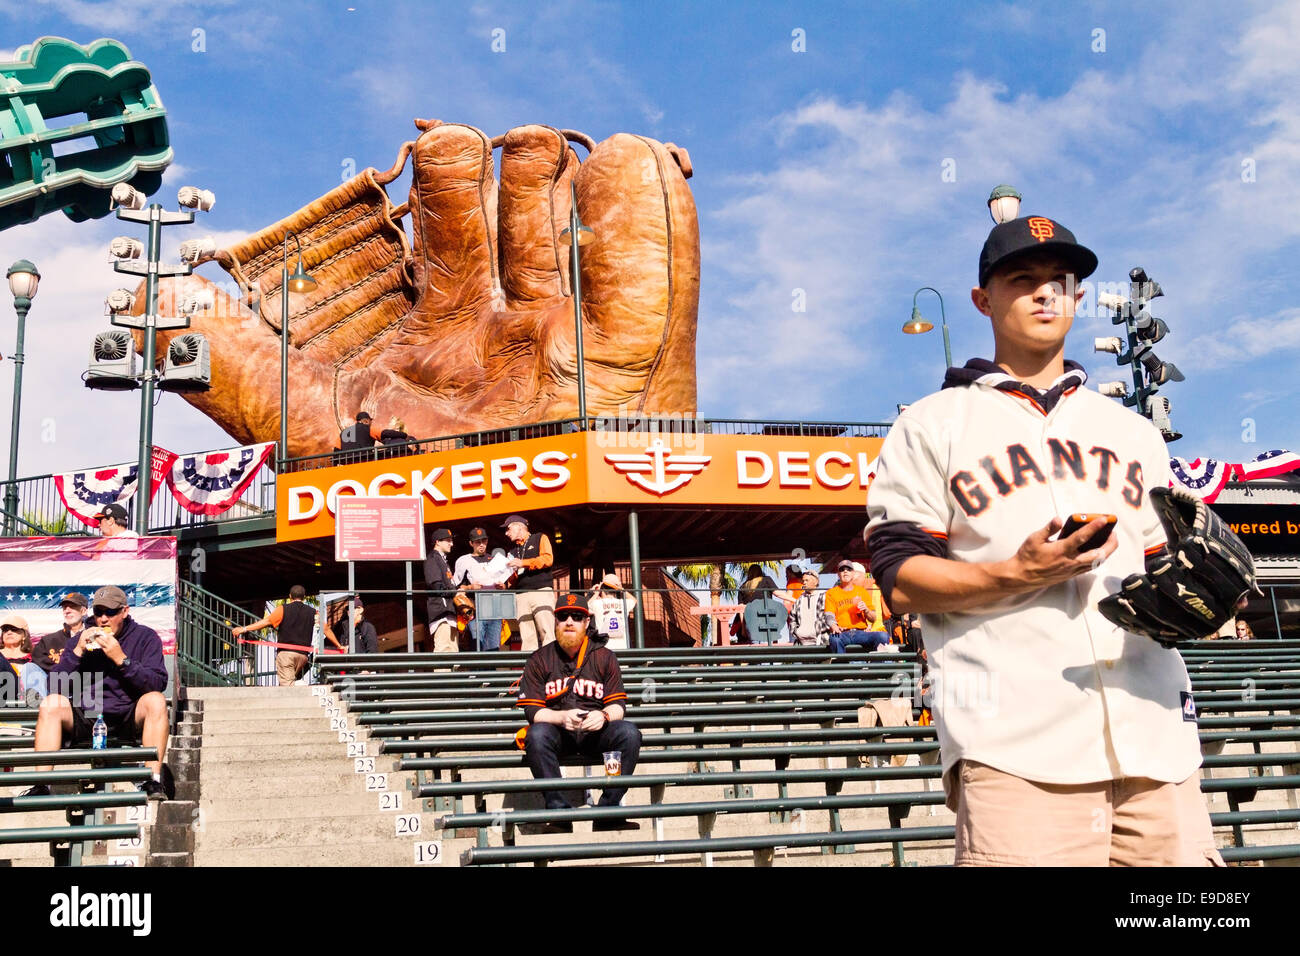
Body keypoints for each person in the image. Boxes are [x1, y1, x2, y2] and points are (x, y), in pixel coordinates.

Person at [865, 214, 1220, 866]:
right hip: (1016, 753)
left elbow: (1160, 568)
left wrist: (1197, 596)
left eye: (1059, 281)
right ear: (984, 300)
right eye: (1021, 280)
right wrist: (1015, 572)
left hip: (1158, 744)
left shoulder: (1130, 430)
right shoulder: (930, 423)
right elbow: (900, 577)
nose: (1043, 293)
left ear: (1079, 296)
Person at [25, 586, 170, 799]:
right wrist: (76, 652)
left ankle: (153, 781)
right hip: (87, 715)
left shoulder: (145, 637)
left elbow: (158, 682)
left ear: (125, 611)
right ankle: (41, 785)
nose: (103, 619)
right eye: (98, 612)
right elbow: (55, 686)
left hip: (128, 714)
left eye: (110, 612)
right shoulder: (80, 639)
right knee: (51, 703)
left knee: (156, 700)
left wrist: (122, 660)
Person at [515, 592, 641, 833]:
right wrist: (560, 717)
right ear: (555, 622)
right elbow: (532, 711)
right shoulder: (539, 659)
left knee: (628, 733)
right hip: (558, 734)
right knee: (536, 735)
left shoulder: (604, 657)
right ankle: (559, 814)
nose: (569, 622)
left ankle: (608, 811)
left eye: (576, 616)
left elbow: (618, 707)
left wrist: (603, 716)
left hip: (596, 734)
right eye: (563, 617)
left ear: (587, 622)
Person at [232, 585, 326, 685]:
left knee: (288, 685)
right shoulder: (312, 612)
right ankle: (296, 685)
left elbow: (266, 622)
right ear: (304, 596)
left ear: (290, 596)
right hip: (303, 656)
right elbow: (326, 628)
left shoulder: (283, 609)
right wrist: (338, 645)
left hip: (286, 654)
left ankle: (301, 685)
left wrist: (244, 628)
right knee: (286, 681)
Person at [26, 592, 92, 702]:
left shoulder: (94, 635)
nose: (67, 610)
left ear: (84, 611)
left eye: (73, 607)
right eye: (65, 607)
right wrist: (63, 667)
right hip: (55, 689)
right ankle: (36, 707)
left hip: (85, 691)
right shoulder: (49, 640)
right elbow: (38, 665)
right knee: (29, 668)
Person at [504, 514, 556, 652]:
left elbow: (547, 559)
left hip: (541, 591)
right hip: (521, 595)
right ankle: (530, 669)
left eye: (508, 529)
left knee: (547, 631)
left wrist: (523, 563)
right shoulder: (513, 551)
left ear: (519, 527)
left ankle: (550, 667)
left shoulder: (539, 538)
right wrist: (505, 579)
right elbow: (514, 576)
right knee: (527, 637)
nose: (506, 533)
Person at [452, 526, 504, 651]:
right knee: (477, 646)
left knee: (494, 648)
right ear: (471, 543)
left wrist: (503, 586)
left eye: (484, 541)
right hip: (475, 610)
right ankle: (479, 670)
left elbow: (505, 584)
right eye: (477, 542)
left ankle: (492, 671)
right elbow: (455, 587)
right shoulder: (463, 561)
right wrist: (470, 587)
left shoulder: (495, 560)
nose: (481, 544)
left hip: (494, 609)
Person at [823, 560, 890, 654]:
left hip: (861, 632)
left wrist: (866, 610)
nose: (845, 571)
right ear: (838, 574)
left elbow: (873, 618)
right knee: (834, 639)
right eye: (842, 570)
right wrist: (834, 626)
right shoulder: (831, 593)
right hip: (842, 632)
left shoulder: (862, 591)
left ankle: (875, 667)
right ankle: (844, 667)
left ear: (853, 573)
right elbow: (829, 615)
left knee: (883, 636)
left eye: (848, 569)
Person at [424, 527, 458, 652]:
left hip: (449, 613)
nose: (452, 544)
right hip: (441, 612)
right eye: (448, 540)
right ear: (438, 542)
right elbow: (436, 585)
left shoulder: (442, 559)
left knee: (454, 655)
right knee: (443, 651)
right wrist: (455, 593)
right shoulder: (433, 558)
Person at [587, 573, 637, 650]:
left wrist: (595, 593)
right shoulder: (623, 603)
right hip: (622, 646)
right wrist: (622, 589)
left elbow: (586, 607)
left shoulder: (597, 604)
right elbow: (634, 600)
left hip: (604, 647)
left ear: (602, 589)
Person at [788, 570, 830, 646]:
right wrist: (796, 632)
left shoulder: (825, 596)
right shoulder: (799, 600)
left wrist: (822, 630)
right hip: (801, 643)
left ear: (816, 582)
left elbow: (831, 616)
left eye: (807, 580)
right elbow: (792, 618)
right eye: (803, 580)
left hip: (821, 641)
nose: (804, 583)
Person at [1, 614, 34, 704]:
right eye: (5, 630)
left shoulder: (34, 657)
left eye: (14, 629)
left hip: (24, 697)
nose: (9, 632)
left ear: (24, 635)